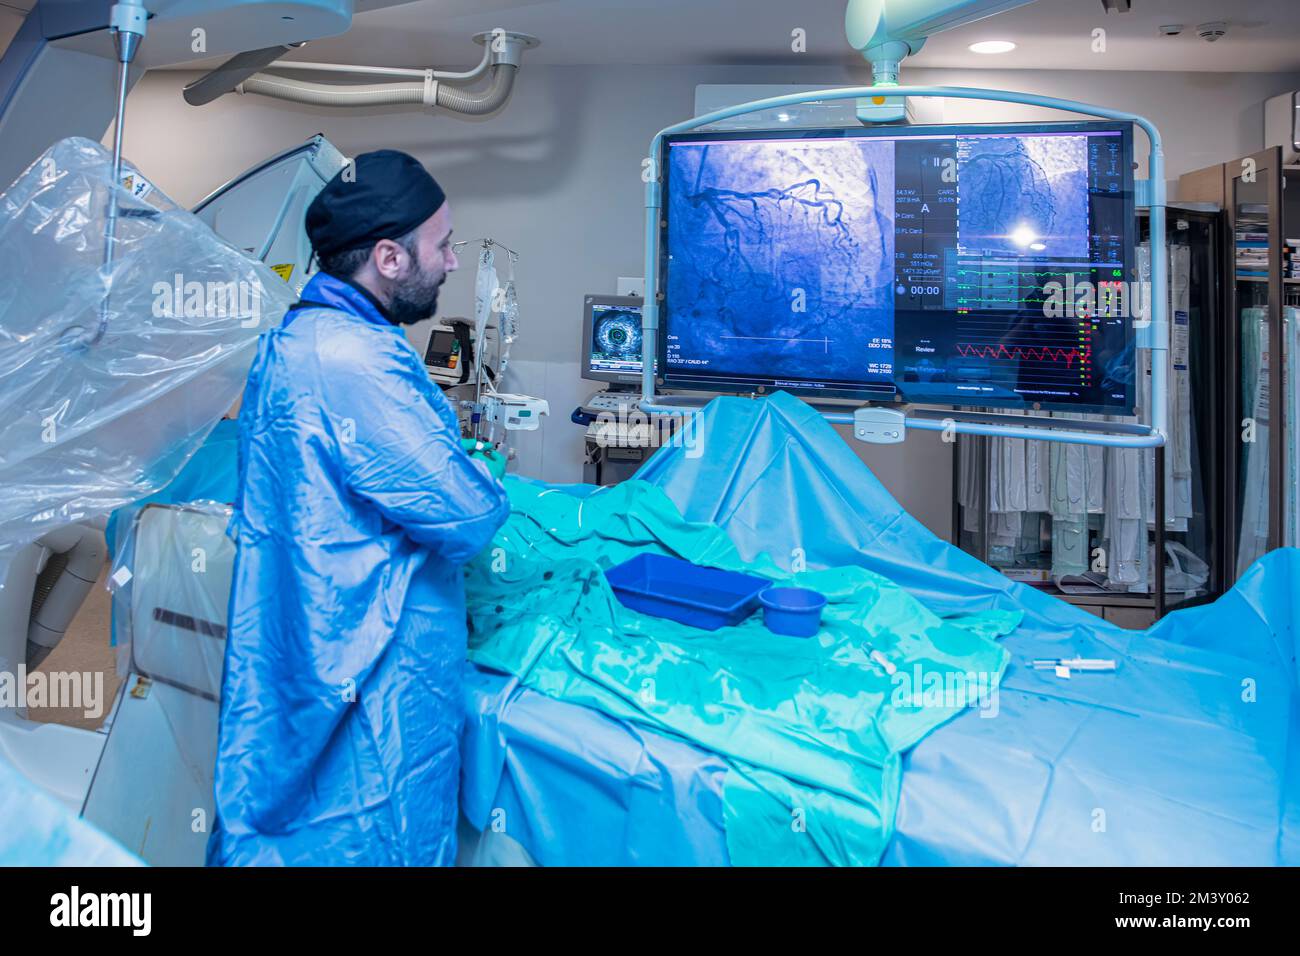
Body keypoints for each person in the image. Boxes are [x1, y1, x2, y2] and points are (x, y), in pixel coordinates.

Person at [207, 150, 511, 866]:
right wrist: (477, 471)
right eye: (443, 245)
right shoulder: (354, 364)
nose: (454, 263)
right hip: (371, 673)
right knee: (373, 834)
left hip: (300, 647)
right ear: (388, 258)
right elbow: (466, 515)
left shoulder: (296, 340)